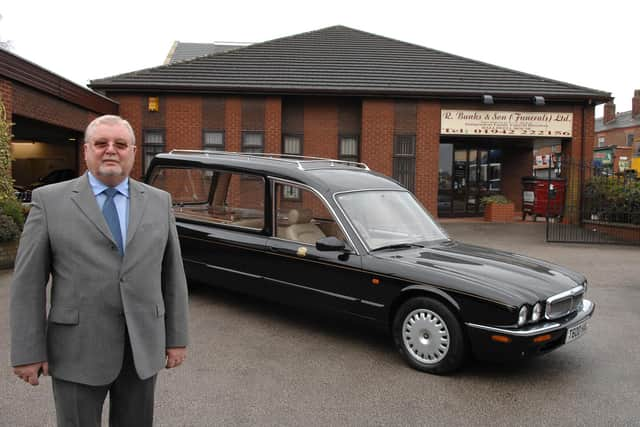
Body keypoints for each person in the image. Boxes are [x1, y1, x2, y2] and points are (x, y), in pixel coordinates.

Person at [10, 114, 189, 426]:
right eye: (101, 143)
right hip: (76, 351)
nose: (110, 150)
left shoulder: (160, 202)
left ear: (133, 151)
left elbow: (172, 276)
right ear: (86, 151)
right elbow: (28, 284)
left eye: (120, 144)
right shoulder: (49, 201)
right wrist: (27, 351)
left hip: (141, 349)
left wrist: (176, 338)